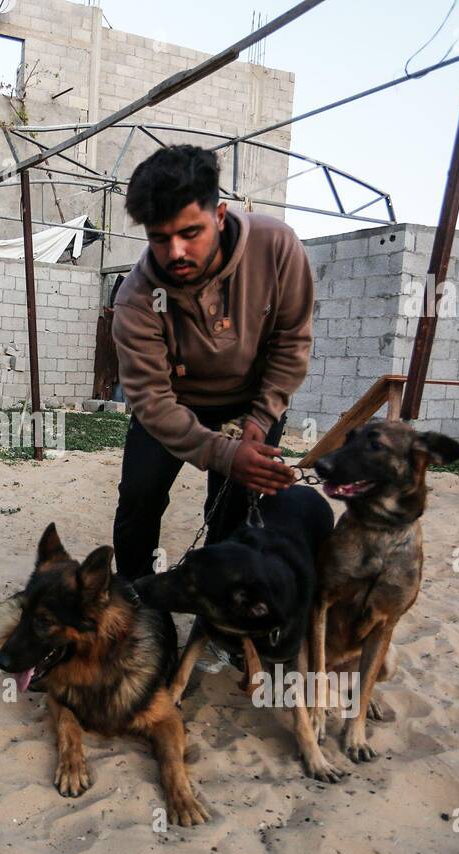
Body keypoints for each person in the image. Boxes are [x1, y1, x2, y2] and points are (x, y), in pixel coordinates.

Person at [111, 144, 314, 581]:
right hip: (173, 407)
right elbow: (151, 400)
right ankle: (135, 603)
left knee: (236, 507)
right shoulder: (136, 298)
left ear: (219, 215)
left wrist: (258, 422)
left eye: (190, 232)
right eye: (159, 238)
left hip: (250, 402)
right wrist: (220, 451)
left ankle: (218, 620)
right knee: (139, 496)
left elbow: (292, 341)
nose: (176, 252)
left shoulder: (277, 247)